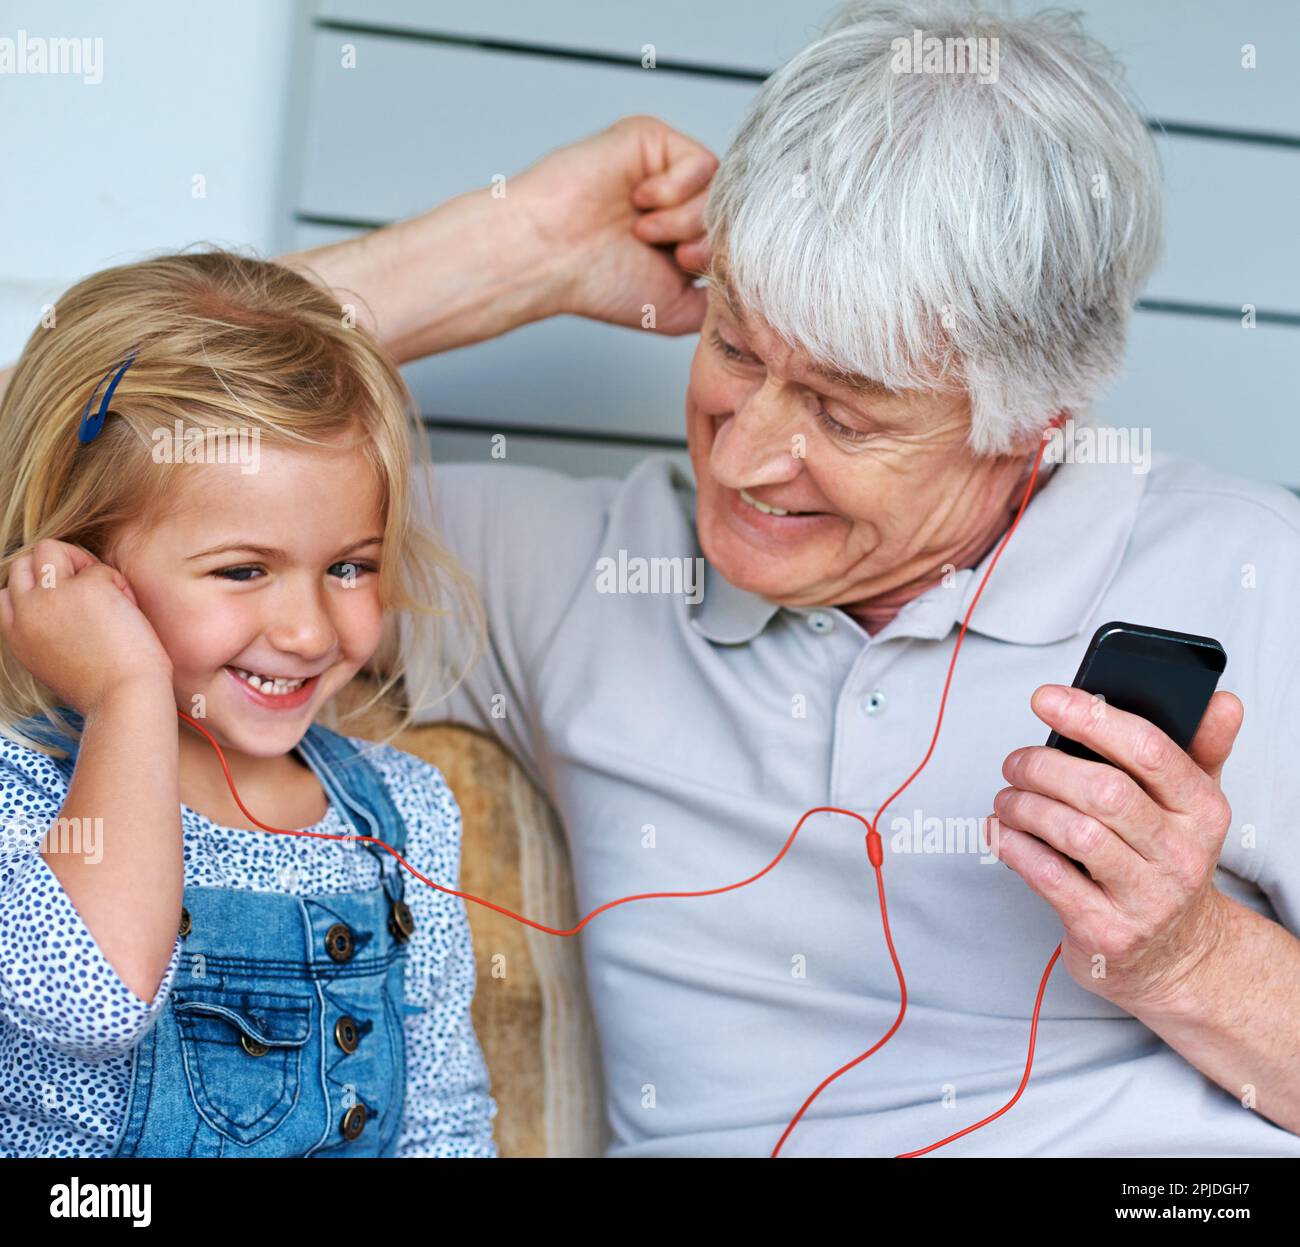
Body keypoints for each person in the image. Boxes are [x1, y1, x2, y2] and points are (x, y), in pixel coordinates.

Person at [285, 2, 1300, 1157]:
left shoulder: (1250, 571)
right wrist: (508, 253)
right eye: (734, 348)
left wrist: (1186, 954)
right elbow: (83, 465)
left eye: (842, 409)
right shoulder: (573, 571)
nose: (742, 454)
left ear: (1032, 423)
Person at [0, 249, 496, 1157]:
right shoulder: (22, 797)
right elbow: (97, 1000)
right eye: (243, 569)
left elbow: (440, 1114)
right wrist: (125, 693)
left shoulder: (404, 811)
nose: (310, 631)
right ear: (77, 567)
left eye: (350, 565)